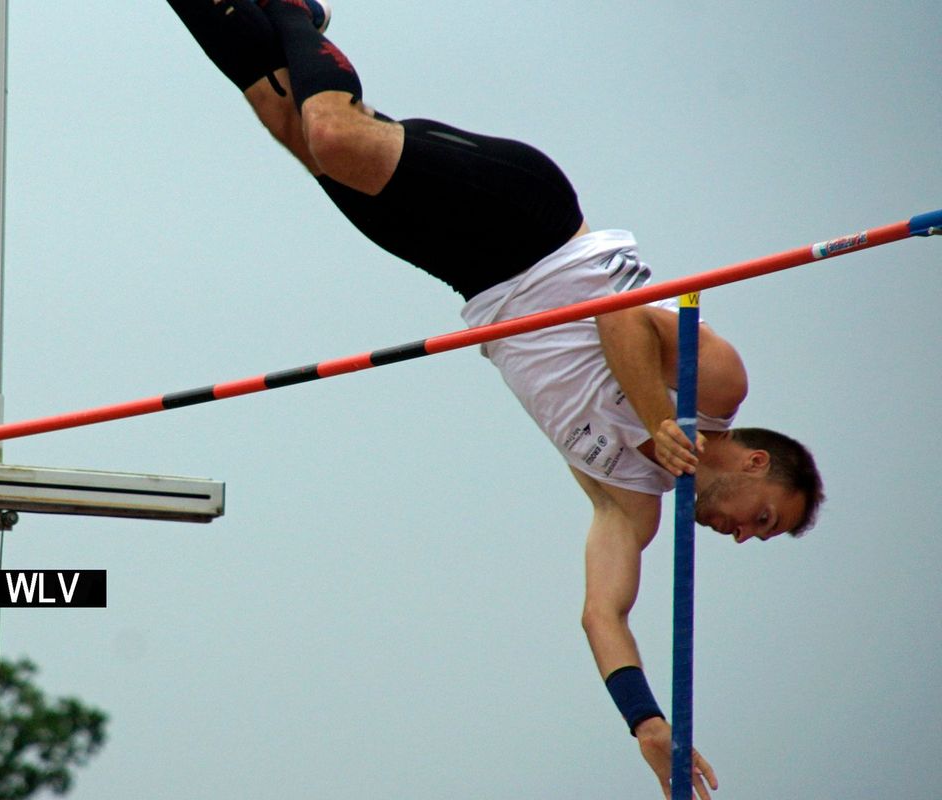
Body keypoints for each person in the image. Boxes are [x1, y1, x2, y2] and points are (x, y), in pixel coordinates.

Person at [165, 2, 825, 797]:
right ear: (755, 460)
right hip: (529, 223)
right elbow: (617, 313)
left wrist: (647, 723)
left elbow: (602, 615)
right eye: (764, 516)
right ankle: (297, 12)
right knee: (333, 137)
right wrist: (657, 420)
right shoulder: (718, 387)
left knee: (288, 121)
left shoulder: (632, 506)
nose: (745, 535)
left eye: (761, 536)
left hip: (472, 273)